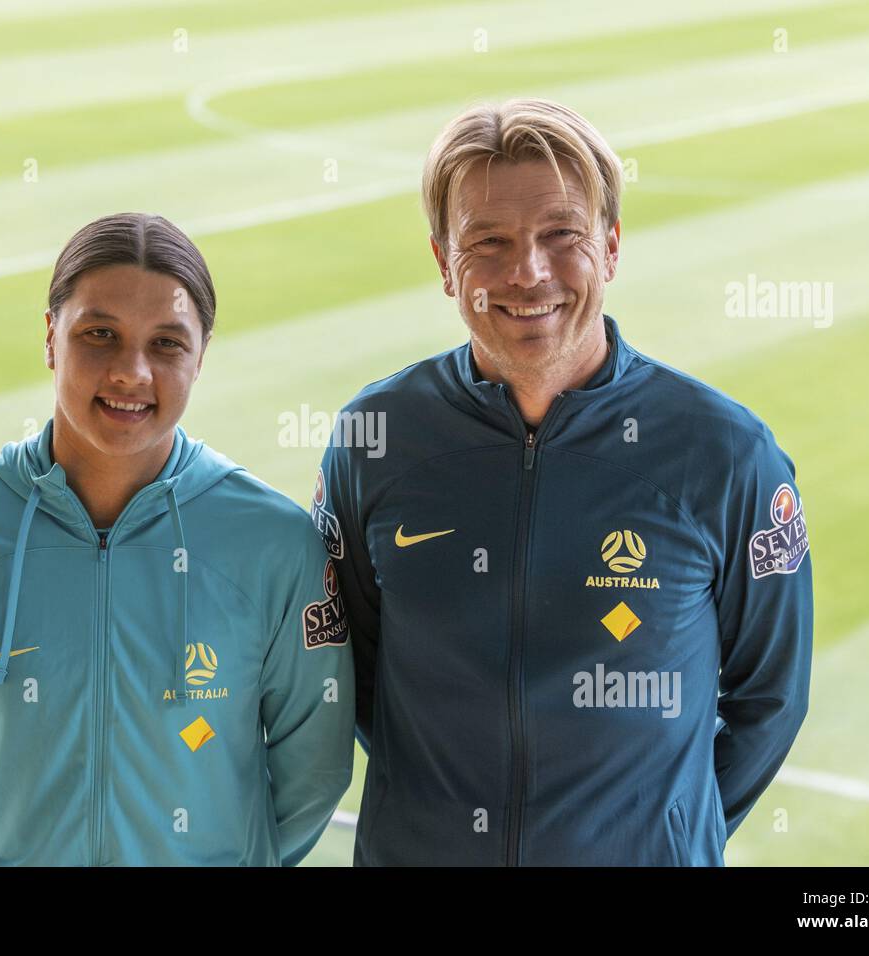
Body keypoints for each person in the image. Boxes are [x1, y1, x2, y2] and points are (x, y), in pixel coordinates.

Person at [313, 99, 812, 866]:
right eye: (488, 241)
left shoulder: (725, 453)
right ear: (444, 264)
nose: (528, 271)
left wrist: (660, 836)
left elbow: (768, 699)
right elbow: (355, 672)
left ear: (610, 247)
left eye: (562, 234)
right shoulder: (373, 442)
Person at [0, 212, 354, 866]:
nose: (131, 372)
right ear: (50, 338)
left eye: (167, 344)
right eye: (100, 334)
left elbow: (313, 770)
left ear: (202, 354)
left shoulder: (275, 545)